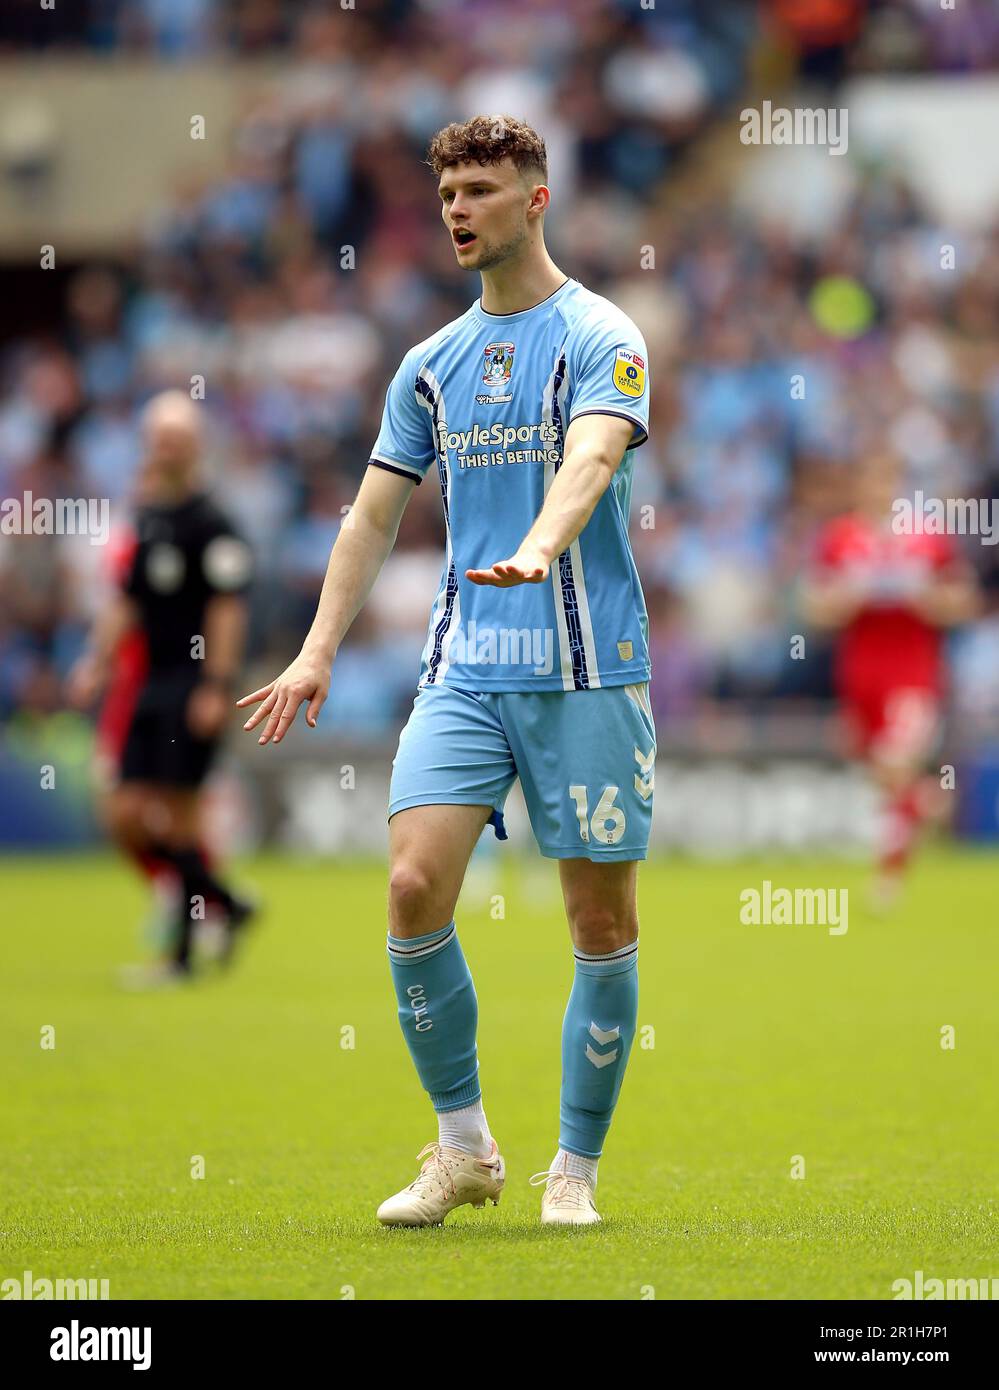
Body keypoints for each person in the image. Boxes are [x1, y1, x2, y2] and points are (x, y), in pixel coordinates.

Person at [238, 116, 655, 1226]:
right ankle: (464, 1149)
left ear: (538, 198)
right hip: (466, 662)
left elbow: (595, 453)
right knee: (414, 884)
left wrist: (541, 547)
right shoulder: (429, 363)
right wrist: (317, 647)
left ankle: (577, 1168)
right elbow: (373, 515)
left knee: (600, 925)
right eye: (448, 193)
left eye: (480, 188)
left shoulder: (603, 333)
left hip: (586, 667)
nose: (458, 209)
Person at [68, 391, 255, 983]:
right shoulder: (146, 514)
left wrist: (215, 685)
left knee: (178, 819)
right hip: (145, 683)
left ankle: (179, 960)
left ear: (196, 443)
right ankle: (226, 903)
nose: (166, 446)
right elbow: (128, 599)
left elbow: (228, 610)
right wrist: (96, 661)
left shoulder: (213, 521)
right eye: (158, 436)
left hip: (189, 683)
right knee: (124, 812)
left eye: (177, 436)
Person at [805, 452, 979, 905]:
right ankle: (934, 801)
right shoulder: (840, 538)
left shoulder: (927, 538)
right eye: (870, 481)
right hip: (860, 673)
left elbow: (963, 601)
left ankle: (887, 882)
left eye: (887, 481)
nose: (879, 490)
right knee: (882, 777)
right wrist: (850, 595)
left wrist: (925, 596)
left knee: (895, 763)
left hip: (913, 672)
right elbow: (816, 609)